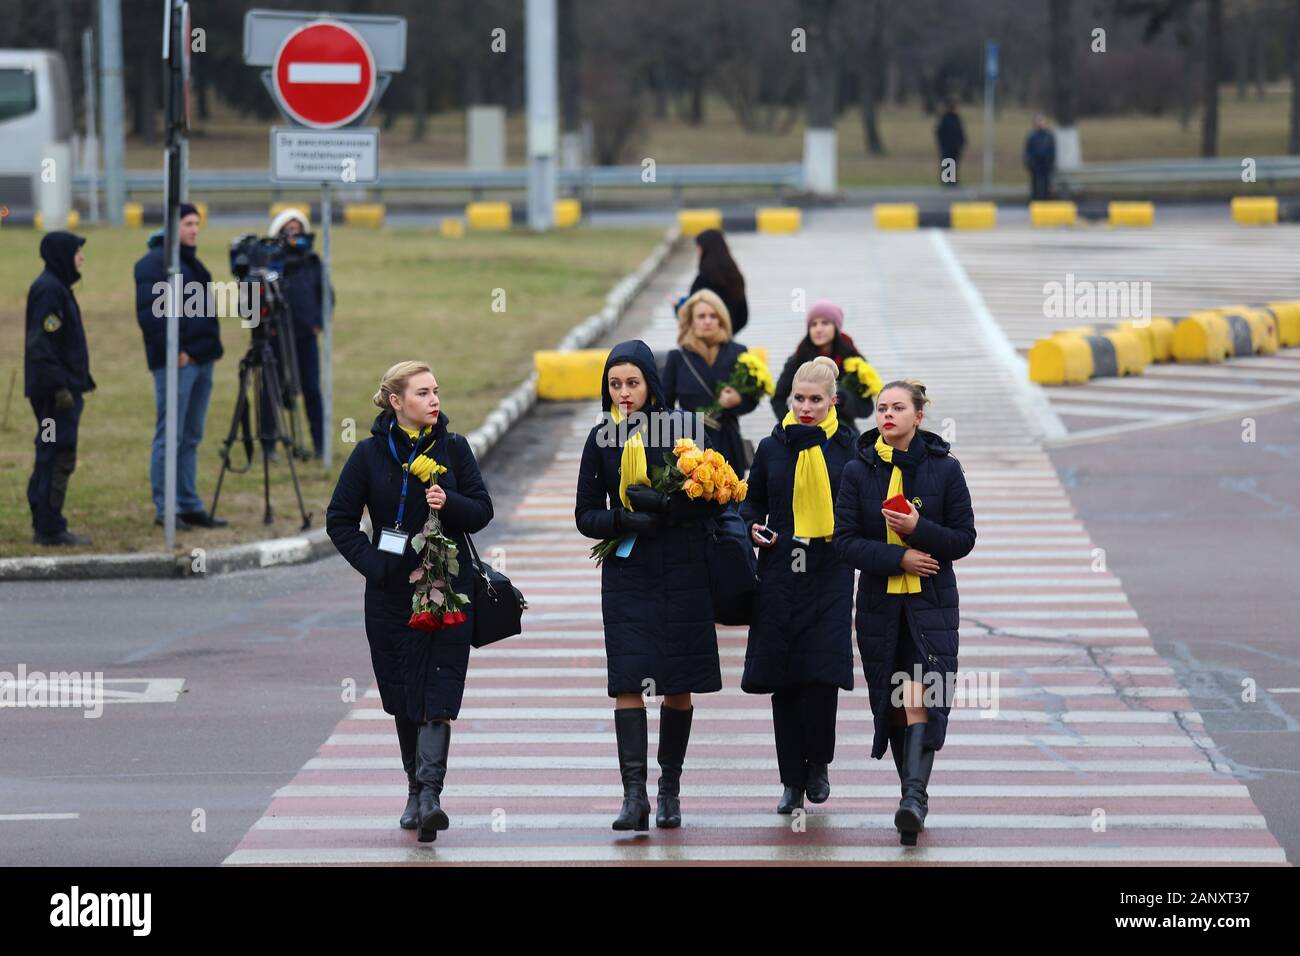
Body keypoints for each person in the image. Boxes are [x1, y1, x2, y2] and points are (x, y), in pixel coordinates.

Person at [326, 361, 494, 843]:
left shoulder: (455, 448)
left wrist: (450, 503)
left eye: (436, 391)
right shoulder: (368, 455)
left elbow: (482, 510)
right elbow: (339, 519)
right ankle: (413, 789)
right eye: (422, 393)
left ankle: (431, 797)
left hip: (447, 589)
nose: (434, 400)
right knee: (403, 693)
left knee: (438, 691)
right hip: (390, 595)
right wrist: (374, 564)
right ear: (396, 402)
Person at [575, 340, 724, 832]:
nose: (623, 393)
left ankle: (669, 793)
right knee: (629, 678)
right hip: (629, 570)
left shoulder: (683, 431)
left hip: (683, 568)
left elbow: (714, 498)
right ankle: (633, 796)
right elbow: (585, 514)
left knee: (678, 681)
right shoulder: (601, 439)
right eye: (614, 385)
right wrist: (621, 517)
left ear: (650, 385)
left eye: (632, 383)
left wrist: (663, 508)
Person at [832, 379, 976, 846]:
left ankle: (914, 798)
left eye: (898, 408)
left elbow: (964, 538)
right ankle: (910, 798)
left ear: (919, 416)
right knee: (895, 704)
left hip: (930, 603)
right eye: (881, 408)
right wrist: (898, 558)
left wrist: (919, 529)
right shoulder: (858, 470)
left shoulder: (945, 470)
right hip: (879, 604)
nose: (887, 415)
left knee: (920, 697)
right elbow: (845, 540)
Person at [740, 356, 856, 813]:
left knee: (821, 677)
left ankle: (818, 765)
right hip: (780, 572)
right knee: (783, 679)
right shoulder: (773, 447)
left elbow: (862, 508)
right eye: (799, 399)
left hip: (829, 571)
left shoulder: (847, 447)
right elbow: (750, 506)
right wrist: (752, 529)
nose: (806, 408)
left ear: (832, 402)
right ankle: (791, 780)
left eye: (815, 400)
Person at [133, 202, 226, 530]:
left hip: (202, 361)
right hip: (177, 363)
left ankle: (188, 504)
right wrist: (176, 352)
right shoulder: (152, 264)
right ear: (172, 227)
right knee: (169, 435)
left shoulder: (193, 264)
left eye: (196, 223)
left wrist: (207, 352)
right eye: (188, 223)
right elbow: (150, 314)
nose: (194, 229)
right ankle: (165, 507)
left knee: (191, 436)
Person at [24, 231, 95, 546]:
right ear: (63, 255)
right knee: (57, 453)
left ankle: (45, 518)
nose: (81, 258)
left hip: (57, 392)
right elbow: (41, 345)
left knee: (50, 451)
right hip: (55, 397)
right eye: (77, 252)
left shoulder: (57, 288)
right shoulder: (50, 292)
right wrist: (59, 389)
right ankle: (49, 527)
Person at [662, 289, 759, 478]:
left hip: (728, 442)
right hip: (691, 446)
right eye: (701, 316)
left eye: (713, 316)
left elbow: (753, 398)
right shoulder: (678, 358)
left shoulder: (738, 352)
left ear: (721, 319)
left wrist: (738, 400)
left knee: (731, 501)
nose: (708, 321)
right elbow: (664, 405)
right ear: (690, 321)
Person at [268, 208, 328, 459]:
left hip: (305, 335)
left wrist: (318, 322)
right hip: (274, 336)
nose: (293, 234)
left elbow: (326, 296)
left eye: (297, 228)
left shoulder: (312, 262)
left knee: (311, 389)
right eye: (287, 229)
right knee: (271, 390)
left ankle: (319, 444)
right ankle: (268, 444)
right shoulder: (270, 261)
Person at [771, 299, 879, 424]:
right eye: (813, 324)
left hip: (842, 432)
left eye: (825, 323)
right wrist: (790, 426)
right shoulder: (798, 359)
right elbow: (777, 398)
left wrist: (842, 398)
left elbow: (866, 409)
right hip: (804, 430)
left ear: (836, 327)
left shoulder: (853, 362)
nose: (818, 329)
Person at [688, 228, 748, 335]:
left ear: (704, 249)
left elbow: (690, 313)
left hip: (705, 341)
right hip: (728, 339)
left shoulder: (703, 280)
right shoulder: (736, 277)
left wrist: (678, 307)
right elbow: (743, 316)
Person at [1024, 114, 1057, 201]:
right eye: (1038, 121)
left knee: (1046, 184)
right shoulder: (1032, 136)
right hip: (1035, 164)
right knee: (1035, 184)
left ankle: (1047, 200)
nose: (1040, 123)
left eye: (1042, 121)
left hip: (1046, 163)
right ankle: (1034, 200)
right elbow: (1028, 150)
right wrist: (1029, 161)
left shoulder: (1049, 136)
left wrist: (1050, 160)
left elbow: (1052, 149)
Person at [935, 100, 966, 187]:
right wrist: (942, 144)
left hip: (955, 146)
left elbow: (960, 132)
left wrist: (962, 142)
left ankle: (953, 180)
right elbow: (939, 132)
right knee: (947, 162)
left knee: (954, 163)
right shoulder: (944, 119)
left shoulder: (956, 118)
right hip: (947, 146)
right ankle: (946, 180)